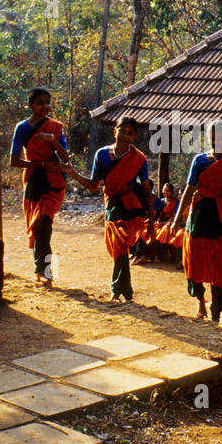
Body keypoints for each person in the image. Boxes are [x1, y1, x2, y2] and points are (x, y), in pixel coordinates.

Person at [68, 116, 151, 303]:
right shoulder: (102, 155)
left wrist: (151, 220)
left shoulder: (139, 159)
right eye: (122, 130)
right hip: (112, 204)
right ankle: (125, 292)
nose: (125, 135)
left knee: (121, 246)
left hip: (132, 207)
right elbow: (93, 185)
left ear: (134, 137)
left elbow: (146, 190)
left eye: (130, 133)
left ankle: (118, 291)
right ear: (115, 131)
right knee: (117, 247)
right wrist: (72, 172)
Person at [171, 124, 222, 321]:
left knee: (219, 263)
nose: (216, 140)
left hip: (220, 215)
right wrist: (177, 218)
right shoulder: (200, 160)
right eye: (213, 136)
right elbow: (189, 189)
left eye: (221, 136)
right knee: (194, 260)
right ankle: (200, 299)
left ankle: (217, 311)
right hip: (199, 214)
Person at [9, 87, 71, 288]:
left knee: (44, 224)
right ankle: (40, 270)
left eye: (47, 102)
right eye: (40, 103)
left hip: (54, 182)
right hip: (34, 180)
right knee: (36, 227)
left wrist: (52, 141)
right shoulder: (22, 128)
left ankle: (46, 272)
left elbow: (66, 158)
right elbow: (14, 161)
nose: (45, 106)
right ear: (31, 105)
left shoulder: (54, 128)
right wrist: (41, 164)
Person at [155, 182, 185, 264]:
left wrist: (167, 222)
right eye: (165, 190)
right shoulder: (161, 201)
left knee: (164, 231)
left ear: (172, 192)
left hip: (172, 222)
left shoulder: (176, 202)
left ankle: (161, 256)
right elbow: (160, 214)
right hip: (163, 222)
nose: (166, 192)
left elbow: (175, 216)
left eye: (168, 191)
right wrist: (158, 221)